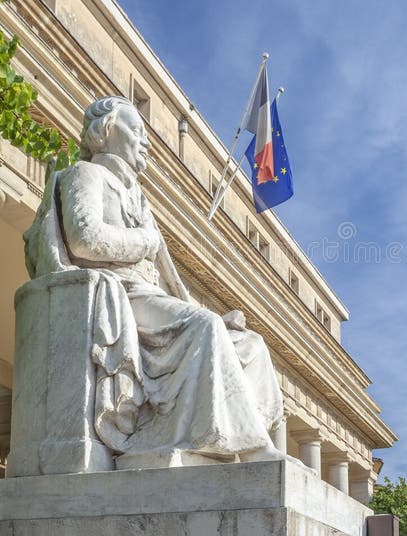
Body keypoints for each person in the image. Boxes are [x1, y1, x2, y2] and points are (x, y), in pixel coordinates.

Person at [24, 96, 284, 467]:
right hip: (118, 294)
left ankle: (224, 446)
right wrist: (144, 241)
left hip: (152, 298)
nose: (146, 140)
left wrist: (203, 313)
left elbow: (170, 281)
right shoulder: (88, 175)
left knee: (251, 345)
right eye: (138, 129)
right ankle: (253, 449)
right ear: (106, 130)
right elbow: (85, 238)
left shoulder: (139, 198)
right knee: (204, 327)